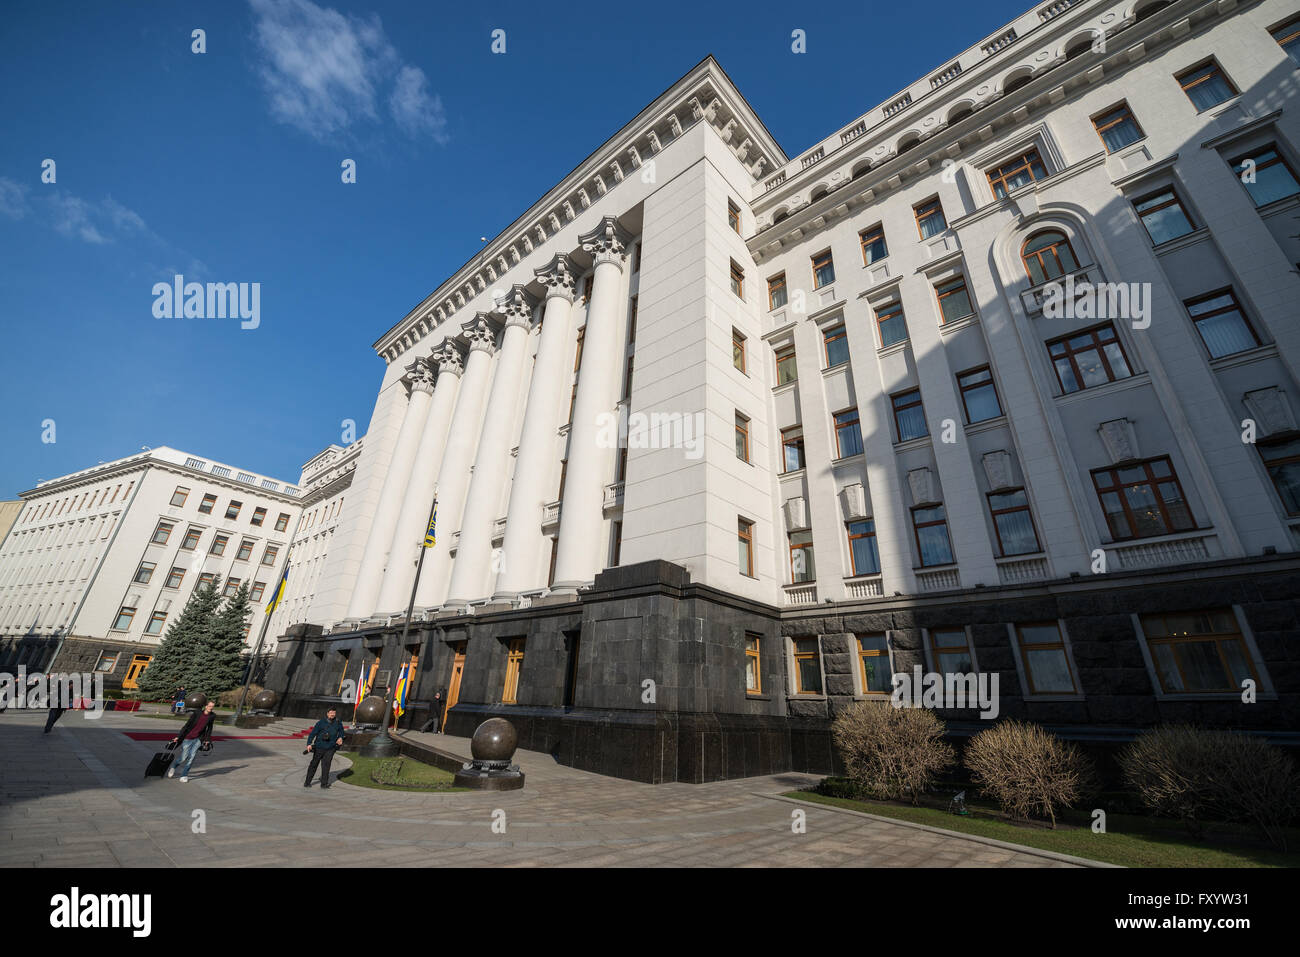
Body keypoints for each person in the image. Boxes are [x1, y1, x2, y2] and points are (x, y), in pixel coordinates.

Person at [168, 700, 216, 781]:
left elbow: (209, 728)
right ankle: (173, 767)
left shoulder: (212, 716)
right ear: (206, 706)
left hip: (198, 739)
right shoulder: (197, 713)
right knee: (184, 757)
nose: (211, 708)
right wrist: (179, 736)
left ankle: (184, 775)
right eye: (210, 706)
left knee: (192, 757)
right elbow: (187, 725)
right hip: (188, 737)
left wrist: (207, 739)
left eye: (212, 706)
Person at [304, 707, 346, 789]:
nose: (332, 714)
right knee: (313, 765)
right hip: (319, 747)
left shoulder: (338, 722)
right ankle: (307, 782)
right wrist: (309, 743)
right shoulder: (321, 723)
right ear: (327, 713)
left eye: (334, 713)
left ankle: (324, 784)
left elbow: (341, 732)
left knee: (326, 766)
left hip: (330, 748)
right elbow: (313, 733)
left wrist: (340, 737)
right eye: (331, 712)